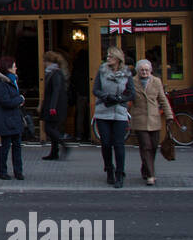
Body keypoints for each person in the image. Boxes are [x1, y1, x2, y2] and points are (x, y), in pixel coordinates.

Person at [128, 58, 174, 187]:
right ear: (137, 71)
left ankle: (145, 168)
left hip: (154, 119)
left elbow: (163, 100)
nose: (144, 72)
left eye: (147, 70)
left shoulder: (156, 82)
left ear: (151, 70)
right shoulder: (132, 82)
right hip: (139, 119)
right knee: (146, 146)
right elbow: (128, 98)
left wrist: (169, 115)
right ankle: (151, 175)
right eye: (142, 70)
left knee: (153, 146)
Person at [94, 46, 135, 187]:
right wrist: (106, 96)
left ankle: (120, 173)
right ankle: (109, 169)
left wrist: (119, 98)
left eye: (110, 56)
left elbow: (131, 93)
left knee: (118, 144)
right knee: (105, 143)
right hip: (103, 111)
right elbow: (96, 90)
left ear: (118, 58)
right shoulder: (102, 71)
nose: (107, 58)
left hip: (119, 112)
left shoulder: (126, 73)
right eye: (107, 55)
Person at [0, 55, 25, 180]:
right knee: (5, 147)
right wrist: (20, 99)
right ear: (8, 68)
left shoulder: (12, 81)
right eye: (14, 66)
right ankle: (2, 171)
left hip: (14, 119)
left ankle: (18, 172)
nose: (16, 68)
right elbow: (5, 102)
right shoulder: (1, 84)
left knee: (17, 146)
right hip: (5, 120)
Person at [40, 50, 70, 161]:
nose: (43, 63)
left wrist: (52, 106)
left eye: (44, 61)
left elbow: (56, 90)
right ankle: (54, 152)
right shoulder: (53, 72)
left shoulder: (55, 73)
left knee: (48, 128)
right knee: (52, 127)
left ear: (48, 61)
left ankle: (63, 143)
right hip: (52, 105)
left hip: (54, 106)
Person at [71, 48, 90, 142]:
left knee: (80, 115)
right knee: (88, 114)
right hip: (88, 92)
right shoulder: (90, 64)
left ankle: (79, 134)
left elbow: (74, 79)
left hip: (80, 92)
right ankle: (88, 134)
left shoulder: (77, 65)